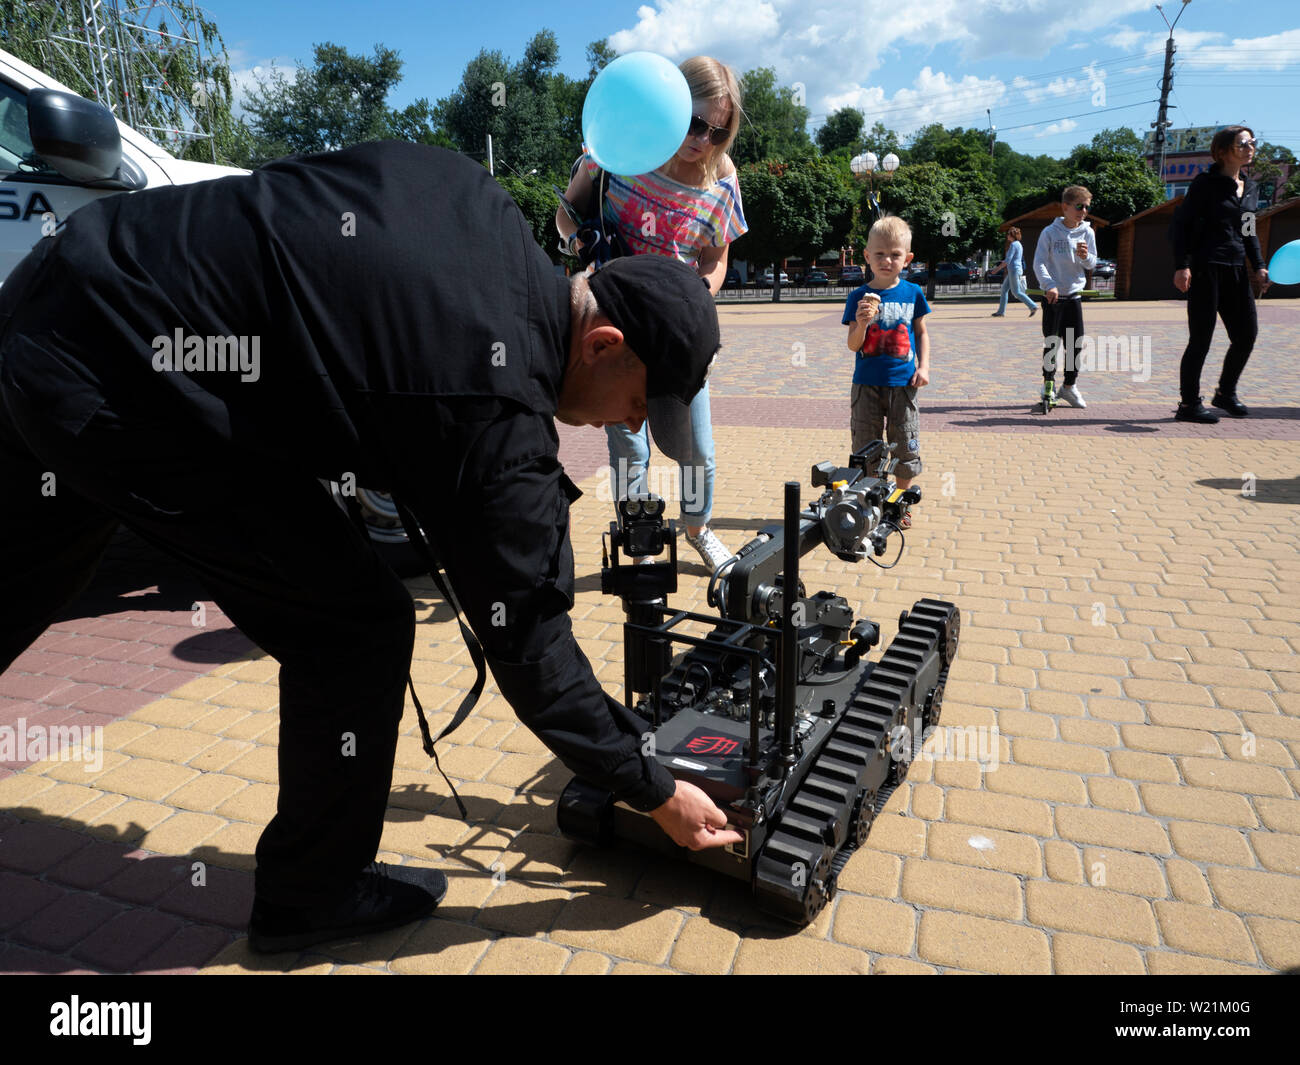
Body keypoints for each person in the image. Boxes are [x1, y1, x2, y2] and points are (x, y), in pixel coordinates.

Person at [0, 142, 743, 955]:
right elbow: (530, 646)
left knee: (27, 564)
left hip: (60, 289)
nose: (631, 428)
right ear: (601, 343)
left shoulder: (473, 197)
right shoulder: (494, 407)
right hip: (123, 381)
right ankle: (311, 897)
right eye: (638, 404)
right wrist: (655, 788)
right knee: (356, 630)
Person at [556, 56, 747, 574]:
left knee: (697, 451)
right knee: (630, 448)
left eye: (718, 129)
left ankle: (699, 529)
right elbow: (565, 213)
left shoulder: (721, 176)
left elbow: (717, 255)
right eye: (694, 122)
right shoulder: (623, 145)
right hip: (621, 329)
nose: (703, 140)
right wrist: (581, 242)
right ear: (670, 107)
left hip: (679, 334)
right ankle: (637, 533)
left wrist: (700, 290)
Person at [1170, 125, 1269, 423]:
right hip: (1205, 268)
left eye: (1252, 142)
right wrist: (1182, 265)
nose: (1250, 147)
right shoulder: (1205, 184)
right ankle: (1188, 404)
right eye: (1243, 143)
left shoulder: (1250, 187)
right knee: (1201, 339)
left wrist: (1259, 265)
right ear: (1224, 150)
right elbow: (1181, 225)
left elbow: (1249, 231)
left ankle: (1225, 392)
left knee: (1247, 334)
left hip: (1237, 270)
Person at [841, 215, 931, 528]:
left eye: (895, 254)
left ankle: (900, 505)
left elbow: (921, 332)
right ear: (867, 257)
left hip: (904, 384)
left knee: (906, 447)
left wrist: (924, 365)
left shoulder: (913, 293)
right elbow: (853, 345)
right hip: (866, 385)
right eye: (879, 254)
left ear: (907, 259)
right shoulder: (857, 297)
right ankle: (871, 503)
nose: (887, 260)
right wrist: (863, 322)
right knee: (866, 448)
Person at [1033, 186, 1097, 410]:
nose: (1084, 211)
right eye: (1079, 206)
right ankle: (1047, 385)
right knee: (1052, 343)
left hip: (1074, 296)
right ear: (1065, 207)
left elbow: (1092, 263)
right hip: (1053, 297)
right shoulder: (1050, 232)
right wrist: (1049, 285)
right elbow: (1038, 262)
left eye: (1087, 206)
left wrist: (1085, 256)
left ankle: (1069, 386)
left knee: (1075, 344)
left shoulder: (1087, 232)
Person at [990, 226, 1037, 317]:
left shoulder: (1013, 245)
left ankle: (1033, 305)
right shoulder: (1018, 244)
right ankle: (1001, 312)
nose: (1007, 235)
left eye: (1008, 234)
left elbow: (1007, 260)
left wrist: (996, 270)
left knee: (1016, 292)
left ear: (1012, 235)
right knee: (1004, 290)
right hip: (1015, 270)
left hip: (1014, 270)